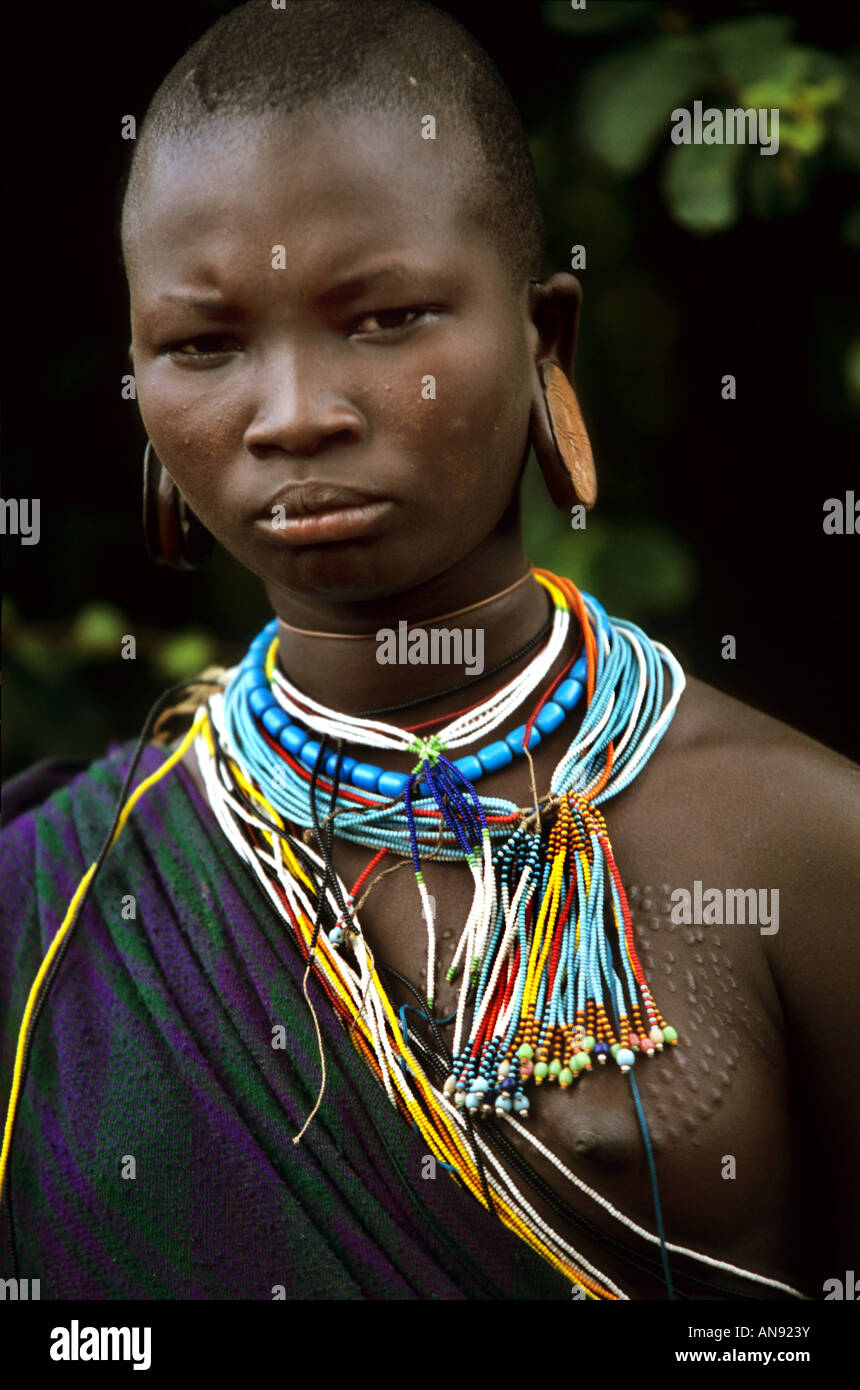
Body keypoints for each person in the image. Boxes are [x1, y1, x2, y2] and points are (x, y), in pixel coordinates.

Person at [1, 0, 857, 1302]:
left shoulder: (804, 838)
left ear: (543, 339)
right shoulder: (53, 899)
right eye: (205, 344)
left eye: (386, 318)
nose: (293, 414)